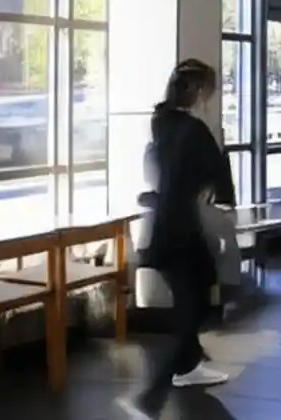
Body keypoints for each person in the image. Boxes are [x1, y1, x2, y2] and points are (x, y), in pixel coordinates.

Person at [121, 60, 229, 419]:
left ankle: (190, 365)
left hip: (168, 228)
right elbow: (219, 177)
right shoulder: (195, 130)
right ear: (198, 93)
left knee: (201, 284)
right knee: (191, 308)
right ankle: (149, 399)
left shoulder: (162, 122)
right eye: (209, 92)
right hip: (180, 231)